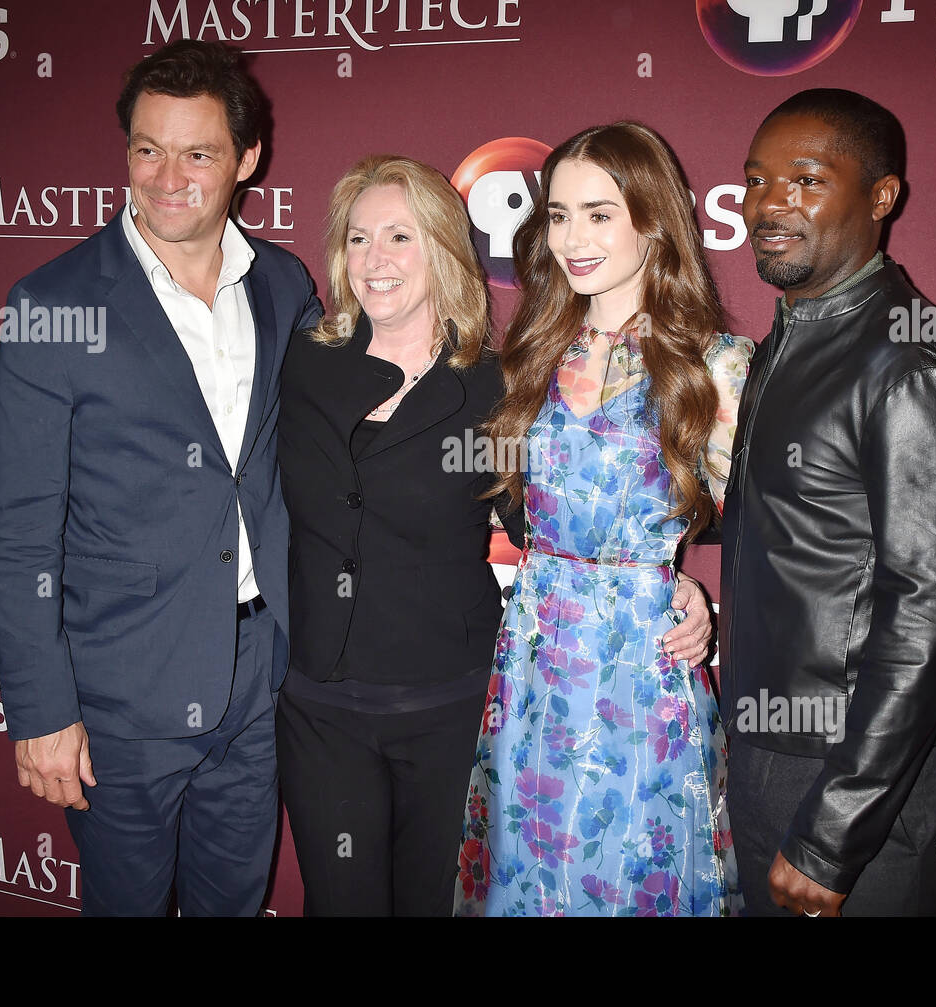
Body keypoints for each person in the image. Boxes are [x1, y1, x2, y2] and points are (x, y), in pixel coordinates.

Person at [275, 155, 717, 916]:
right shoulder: (302, 362)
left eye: (399, 236)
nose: (374, 259)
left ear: (445, 249)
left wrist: (672, 582)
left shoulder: (496, 383)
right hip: (323, 706)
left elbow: (554, 521)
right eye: (357, 238)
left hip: (452, 705)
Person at [0, 40, 321, 916]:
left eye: (198, 152)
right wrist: (41, 710)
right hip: (121, 696)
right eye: (146, 148)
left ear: (247, 160)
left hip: (259, 678)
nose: (167, 176)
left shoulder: (285, 288)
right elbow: (20, 527)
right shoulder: (54, 303)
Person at [455, 122, 751, 917]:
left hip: (638, 663)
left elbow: (762, 537)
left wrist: (692, 591)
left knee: (630, 872)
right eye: (557, 215)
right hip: (535, 654)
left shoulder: (716, 364)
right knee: (530, 867)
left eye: (598, 213)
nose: (571, 238)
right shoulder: (537, 351)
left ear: (652, 220)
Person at [721, 88, 936, 917]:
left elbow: (928, 619)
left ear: (881, 198)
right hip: (775, 747)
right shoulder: (792, 336)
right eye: (758, 180)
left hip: (857, 776)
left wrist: (832, 832)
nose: (771, 203)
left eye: (806, 179)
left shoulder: (910, 365)